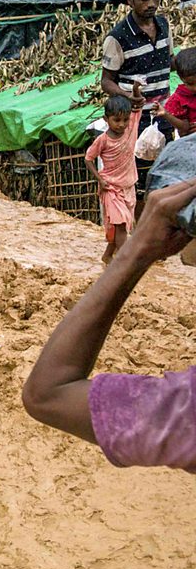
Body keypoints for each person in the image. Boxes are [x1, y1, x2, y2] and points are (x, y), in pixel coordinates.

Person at [21, 150, 196, 469]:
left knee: (120, 233)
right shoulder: (102, 142)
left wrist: (139, 250)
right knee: (114, 231)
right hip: (113, 192)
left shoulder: (188, 409)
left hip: (123, 193)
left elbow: (46, 394)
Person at [101, 0, 172, 217]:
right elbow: (106, 81)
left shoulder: (163, 26)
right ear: (130, 1)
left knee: (167, 177)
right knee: (138, 181)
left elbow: (168, 61)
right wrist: (129, 97)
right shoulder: (118, 37)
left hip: (164, 115)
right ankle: (138, 235)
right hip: (134, 120)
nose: (151, 4)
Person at [85, 90, 143, 264]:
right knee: (120, 225)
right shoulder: (102, 140)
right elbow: (88, 159)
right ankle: (125, 263)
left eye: (125, 120)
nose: (121, 124)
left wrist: (135, 91)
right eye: (116, 120)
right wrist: (100, 180)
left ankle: (108, 255)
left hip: (128, 186)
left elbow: (138, 104)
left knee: (123, 225)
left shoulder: (131, 130)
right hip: (110, 187)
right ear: (106, 119)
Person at [159, 48, 196, 138]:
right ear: (181, 78)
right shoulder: (179, 99)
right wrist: (166, 115)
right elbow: (183, 128)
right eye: (190, 84)